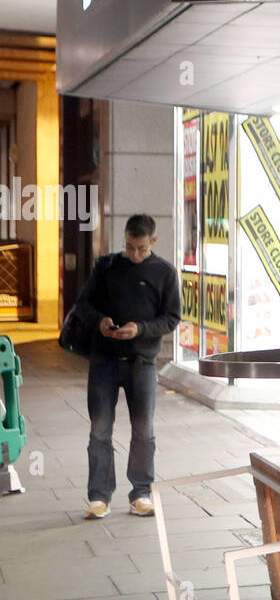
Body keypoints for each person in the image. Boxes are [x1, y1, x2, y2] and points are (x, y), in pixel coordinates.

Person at [73, 213, 181, 518]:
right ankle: (99, 497)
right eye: (130, 247)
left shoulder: (165, 272)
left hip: (143, 362)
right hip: (104, 359)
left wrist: (141, 329)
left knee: (143, 430)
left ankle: (141, 493)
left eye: (142, 248)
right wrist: (101, 322)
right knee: (99, 430)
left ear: (154, 242)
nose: (135, 254)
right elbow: (83, 305)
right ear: (125, 239)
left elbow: (172, 317)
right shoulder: (106, 266)